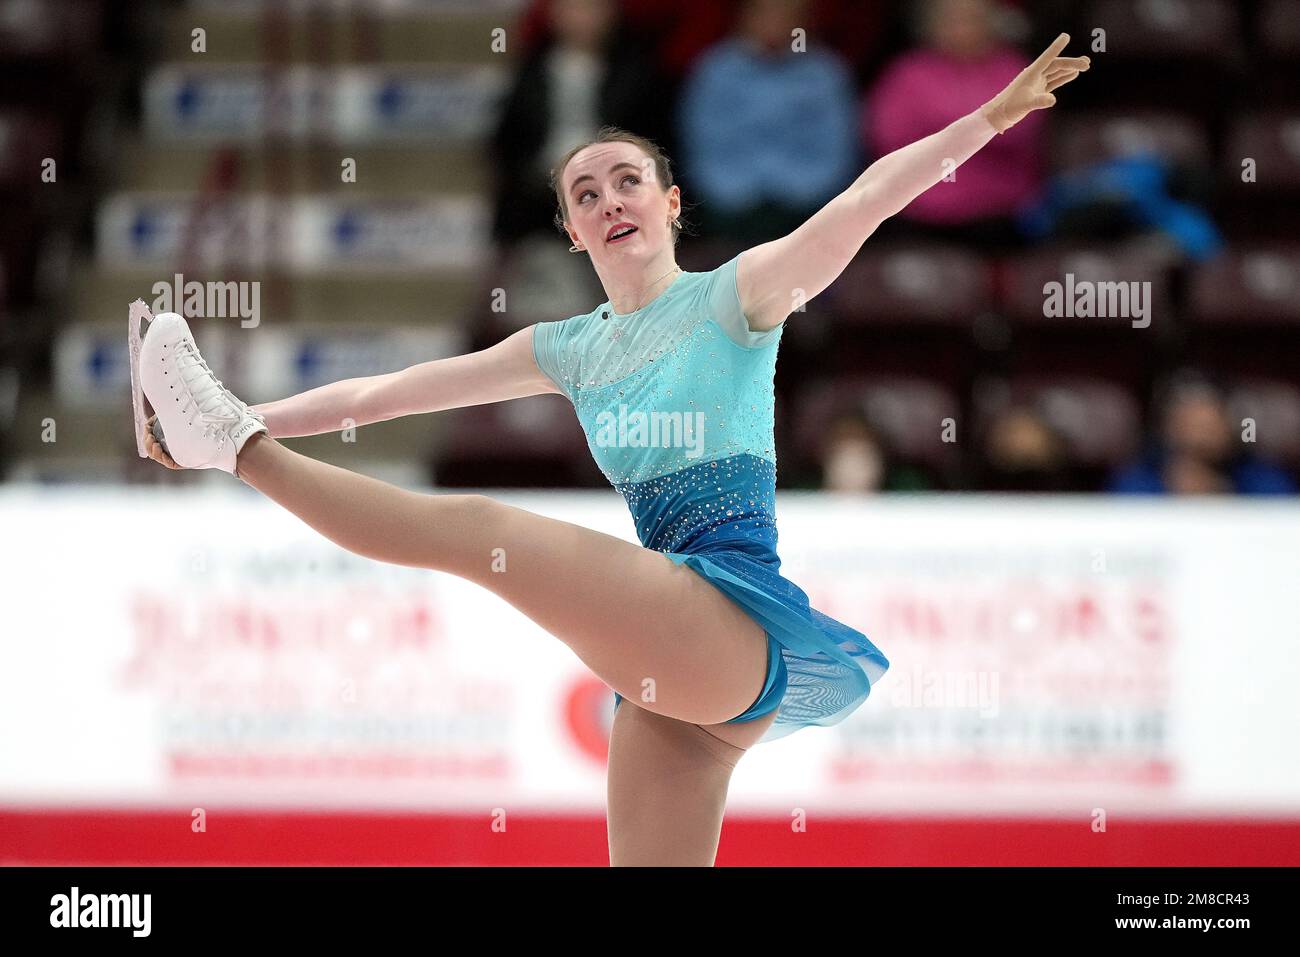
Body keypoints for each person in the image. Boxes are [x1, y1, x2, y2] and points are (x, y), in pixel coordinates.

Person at [135, 34, 1088, 865]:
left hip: (726, 614)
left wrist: (993, 118)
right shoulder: (565, 348)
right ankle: (224, 426)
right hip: (678, 674)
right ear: (571, 227)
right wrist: (254, 397)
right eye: (585, 193)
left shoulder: (738, 296)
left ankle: (233, 446)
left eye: (628, 181)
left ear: (671, 202)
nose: (609, 200)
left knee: (479, 530)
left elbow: (870, 198)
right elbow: (374, 396)